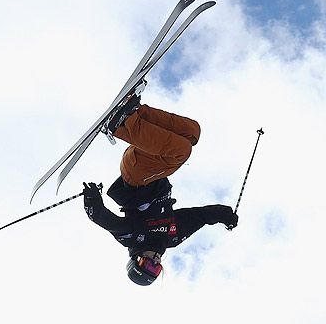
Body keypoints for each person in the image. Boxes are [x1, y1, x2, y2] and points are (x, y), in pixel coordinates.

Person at [82, 93, 238, 286]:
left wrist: (92, 201)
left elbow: (105, 220)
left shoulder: (133, 238)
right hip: (151, 156)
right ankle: (134, 114)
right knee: (192, 132)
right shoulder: (173, 236)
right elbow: (201, 216)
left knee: (181, 151)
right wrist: (225, 215)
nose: (154, 262)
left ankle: (122, 124)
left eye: (145, 264)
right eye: (156, 269)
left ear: (135, 259)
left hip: (137, 174)